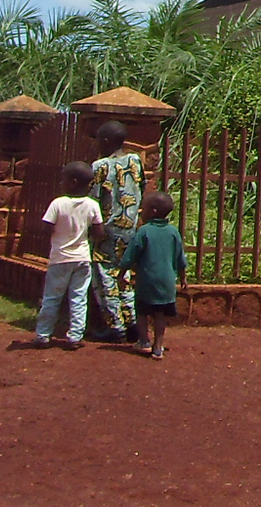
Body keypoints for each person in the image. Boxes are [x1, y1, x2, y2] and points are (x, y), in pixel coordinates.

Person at [34, 162, 105, 350]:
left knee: (52, 297)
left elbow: (46, 228)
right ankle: (75, 336)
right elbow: (99, 232)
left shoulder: (58, 204)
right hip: (82, 258)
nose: (61, 182)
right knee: (79, 298)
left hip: (60, 258)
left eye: (63, 179)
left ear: (72, 182)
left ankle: (43, 335)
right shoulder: (93, 205)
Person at [89, 120, 146, 342]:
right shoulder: (135, 161)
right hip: (130, 227)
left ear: (104, 141)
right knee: (125, 275)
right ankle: (132, 321)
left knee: (106, 277)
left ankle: (115, 326)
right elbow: (141, 188)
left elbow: (93, 199)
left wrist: (95, 227)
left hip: (106, 228)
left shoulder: (100, 166)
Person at [116, 191, 187, 359]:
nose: (142, 212)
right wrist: (183, 278)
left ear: (152, 211)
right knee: (160, 314)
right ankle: (158, 347)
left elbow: (130, 255)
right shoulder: (173, 232)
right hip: (167, 281)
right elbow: (180, 258)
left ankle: (144, 341)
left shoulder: (144, 231)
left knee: (142, 312)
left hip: (147, 280)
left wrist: (121, 274)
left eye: (144, 208)